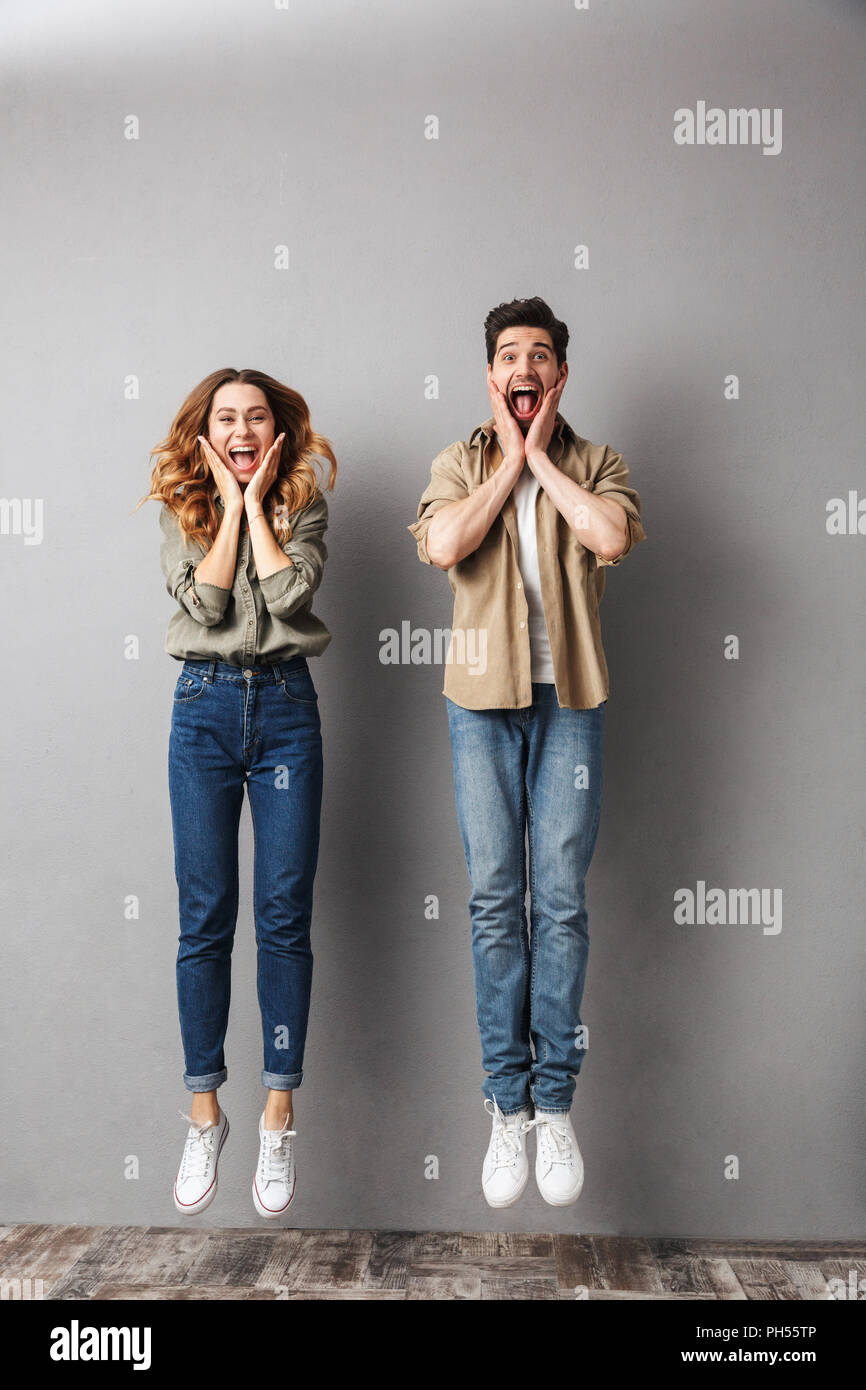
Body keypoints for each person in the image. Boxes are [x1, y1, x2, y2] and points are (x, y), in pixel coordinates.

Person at [408, 297, 646, 1208]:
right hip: (479, 702)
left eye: (539, 355)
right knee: (494, 899)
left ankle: (554, 1105)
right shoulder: (458, 461)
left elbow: (611, 535)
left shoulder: (595, 462)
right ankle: (505, 1105)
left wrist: (543, 454)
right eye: (508, 354)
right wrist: (510, 462)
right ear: (490, 374)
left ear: (559, 374)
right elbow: (445, 542)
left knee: (560, 896)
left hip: (570, 705)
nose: (523, 367)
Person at [136, 367, 336, 1218]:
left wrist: (256, 507)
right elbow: (209, 603)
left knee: (285, 914)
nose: (243, 427)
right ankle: (204, 1111)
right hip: (203, 710)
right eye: (227, 418)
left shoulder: (307, 503)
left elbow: (292, 593)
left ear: (277, 429)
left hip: (288, 706)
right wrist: (224, 499)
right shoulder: (182, 507)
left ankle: (279, 1115)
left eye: (257, 416)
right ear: (207, 432)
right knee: (204, 916)